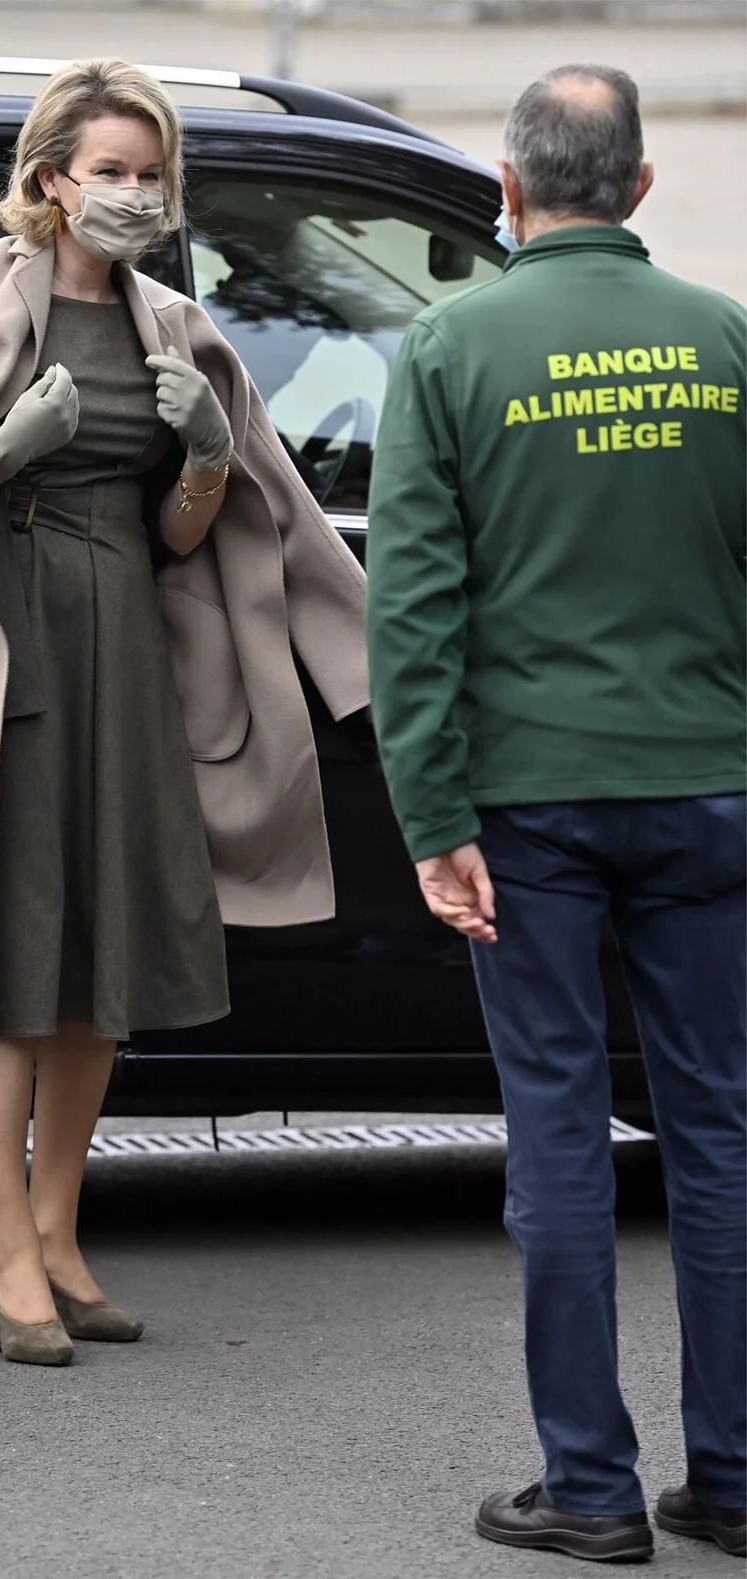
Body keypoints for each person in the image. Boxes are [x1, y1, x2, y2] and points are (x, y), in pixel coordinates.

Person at [0, 59, 368, 1366]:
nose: (132, 193)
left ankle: (62, 1234)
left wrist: (208, 456)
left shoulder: (178, 331)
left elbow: (197, 539)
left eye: (149, 173)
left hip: (125, 656)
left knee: (98, 972)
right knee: (5, 973)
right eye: (108, 170)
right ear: (50, 181)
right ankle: (7, 1247)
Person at [367, 64, 745, 1563]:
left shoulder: (453, 341)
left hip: (524, 802)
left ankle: (587, 1485)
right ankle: (729, 1476)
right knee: (717, 1132)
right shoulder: (726, 340)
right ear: (642, 187)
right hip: (709, 790)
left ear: (507, 194)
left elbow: (413, 614)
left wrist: (430, 812)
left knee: (561, 1137)